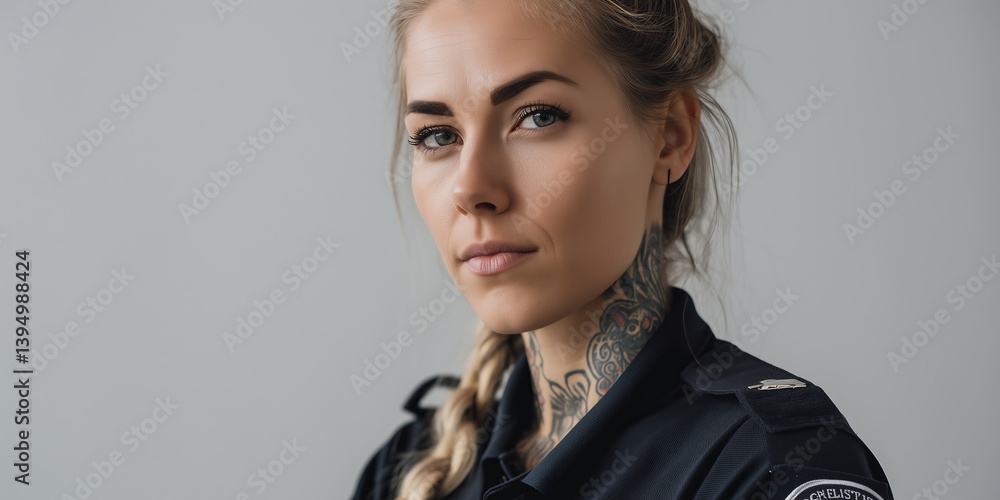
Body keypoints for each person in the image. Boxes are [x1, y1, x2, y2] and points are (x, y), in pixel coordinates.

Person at [352, 0, 893, 498]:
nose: (470, 189)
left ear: (670, 136)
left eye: (538, 116)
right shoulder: (403, 472)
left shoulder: (772, 465)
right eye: (437, 136)